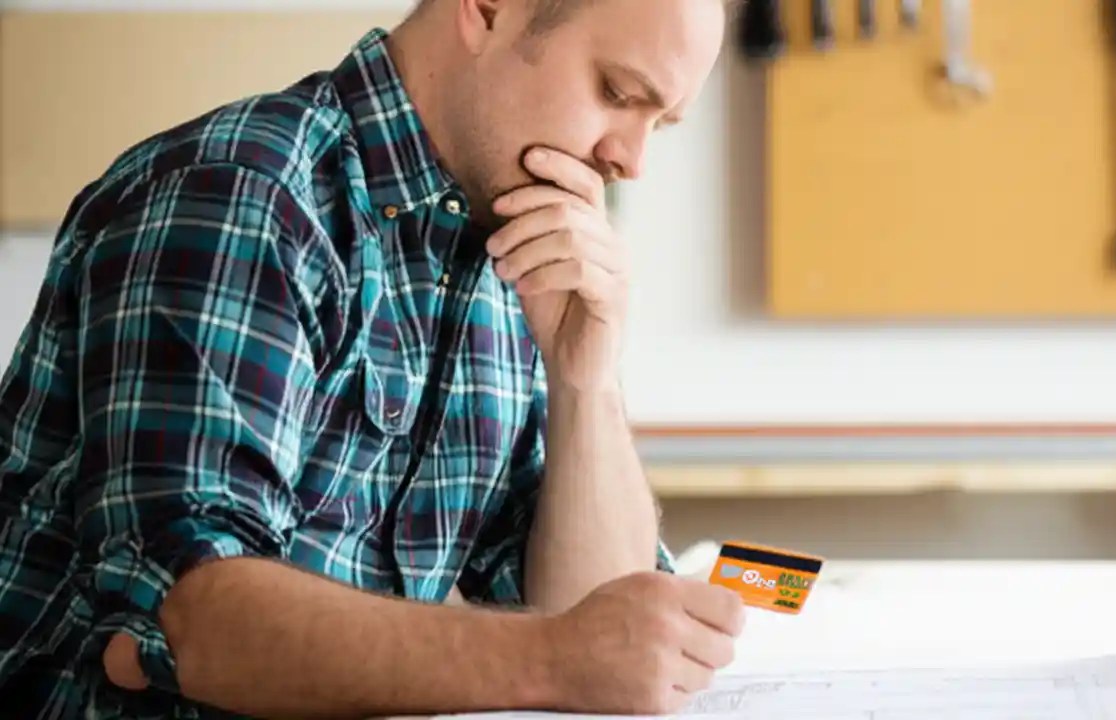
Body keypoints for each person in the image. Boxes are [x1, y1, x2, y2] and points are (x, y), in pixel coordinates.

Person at [0, 0, 745, 717]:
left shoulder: (513, 243)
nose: (631, 159)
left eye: (662, 123)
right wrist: (549, 658)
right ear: (487, 10)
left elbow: (602, 632)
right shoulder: (246, 195)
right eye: (617, 92)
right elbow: (187, 617)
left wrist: (585, 378)